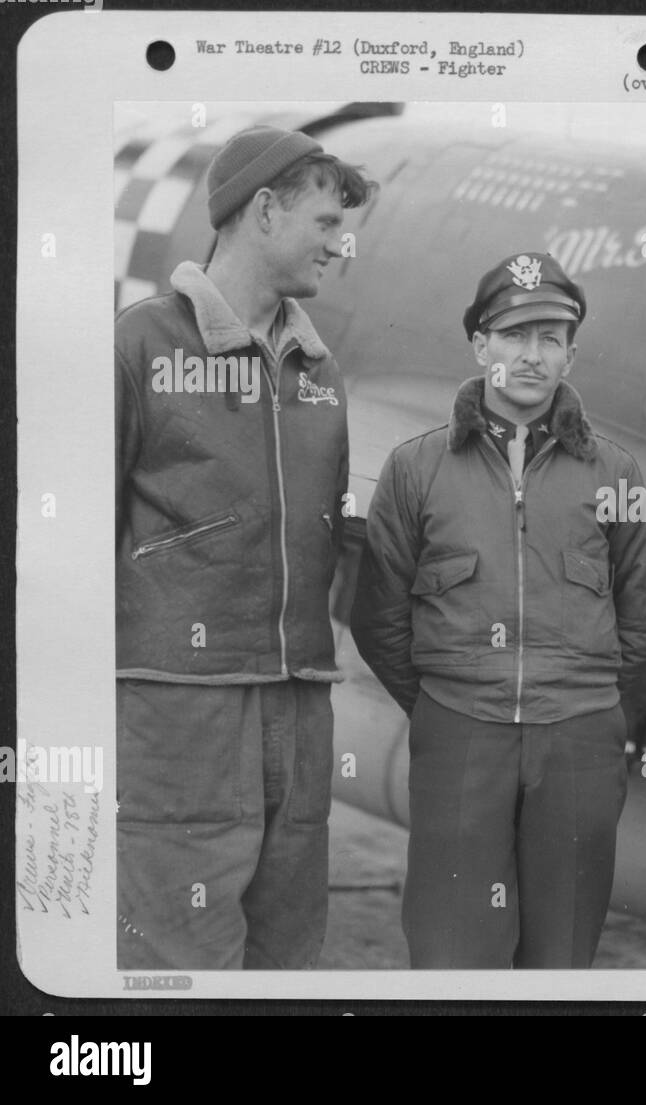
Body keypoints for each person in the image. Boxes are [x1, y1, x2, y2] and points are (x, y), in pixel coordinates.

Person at [351, 252, 646, 968]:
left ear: (571, 354)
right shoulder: (417, 468)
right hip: (461, 736)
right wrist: (447, 700)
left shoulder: (615, 472)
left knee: (561, 957)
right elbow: (378, 617)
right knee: (451, 954)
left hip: (579, 743)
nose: (532, 355)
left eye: (551, 338)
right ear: (480, 346)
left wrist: (579, 695)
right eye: (514, 335)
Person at [115, 125, 375, 968]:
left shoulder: (320, 372)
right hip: (181, 708)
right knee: (177, 961)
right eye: (327, 223)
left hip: (300, 708)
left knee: (287, 960)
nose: (343, 245)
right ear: (263, 210)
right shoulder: (139, 347)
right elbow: (66, 543)